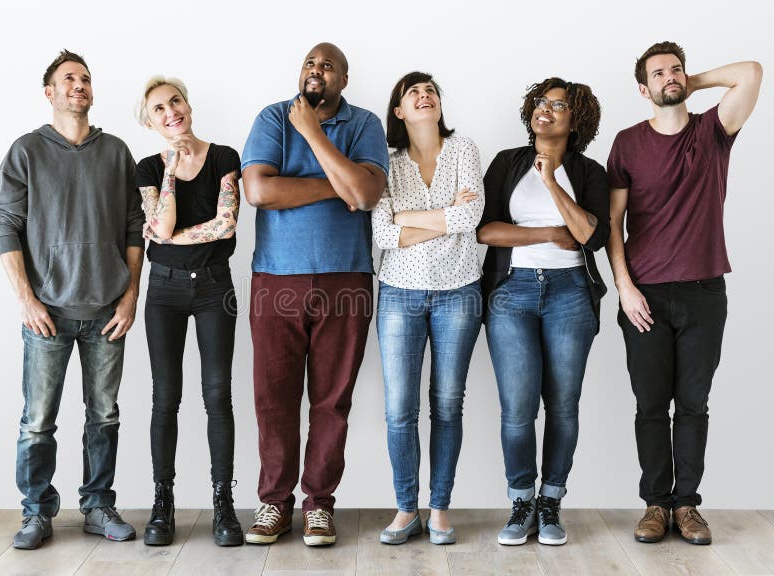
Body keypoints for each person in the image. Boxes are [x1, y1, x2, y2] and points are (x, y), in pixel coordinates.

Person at [606, 42, 762, 545]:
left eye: (675, 69)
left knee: (693, 404)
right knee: (651, 405)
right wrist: (625, 289)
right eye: (658, 73)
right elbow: (613, 224)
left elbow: (752, 72)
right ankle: (656, 504)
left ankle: (688, 506)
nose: (669, 76)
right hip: (644, 294)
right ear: (642, 88)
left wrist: (692, 83)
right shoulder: (627, 143)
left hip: (703, 292)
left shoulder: (713, 131)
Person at [0, 49, 143, 550]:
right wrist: (26, 300)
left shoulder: (116, 151)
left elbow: (133, 229)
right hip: (47, 314)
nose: (79, 84)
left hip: (106, 312)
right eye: (68, 78)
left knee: (104, 414)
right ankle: (37, 512)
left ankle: (97, 504)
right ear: (49, 93)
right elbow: (4, 225)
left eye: (85, 78)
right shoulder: (25, 151)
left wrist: (129, 299)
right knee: (38, 420)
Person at [241, 42, 388, 546]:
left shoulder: (365, 123)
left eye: (327, 65)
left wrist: (312, 136)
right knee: (273, 399)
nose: (315, 70)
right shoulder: (273, 117)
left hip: (347, 278)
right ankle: (274, 503)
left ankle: (319, 506)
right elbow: (259, 191)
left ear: (343, 80)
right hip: (275, 280)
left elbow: (368, 196)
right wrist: (339, 184)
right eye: (309, 62)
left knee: (332, 400)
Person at [477, 78, 609, 546]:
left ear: (577, 121)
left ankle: (551, 502)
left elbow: (591, 234)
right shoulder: (506, 163)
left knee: (563, 406)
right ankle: (521, 501)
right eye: (540, 101)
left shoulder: (590, 172)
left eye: (558, 105)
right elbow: (486, 231)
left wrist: (551, 180)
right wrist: (546, 236)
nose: (545, 110)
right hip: (511, 292)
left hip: (570, 292)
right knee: (517, 410)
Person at [372, 71, 483, 546]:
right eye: (413, 92)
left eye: (430, 90)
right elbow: (382, 234)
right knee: (399, 409)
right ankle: (405, 508)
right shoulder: (387, 162)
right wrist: (444, 220)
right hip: (398, 291)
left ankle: (438, 508)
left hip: (460, 289)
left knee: (447, 404)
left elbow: (471, 217)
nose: (424, 96)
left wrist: (406, 218)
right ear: (399, 111)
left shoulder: (465, 150)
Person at [134, 76, 242, 547]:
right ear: (150, 122)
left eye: (174, 101)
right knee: (165, 397)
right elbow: (161, 219)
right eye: (158, 109)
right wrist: (172, 168)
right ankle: (163, 503)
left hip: (215, 287)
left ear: (188, 105)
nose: (170, 111)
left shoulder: (225, 157)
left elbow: (226, 224)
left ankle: (223, 505)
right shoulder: (146, 168)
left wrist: (168, 238)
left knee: (217, 395)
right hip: (164, 292)